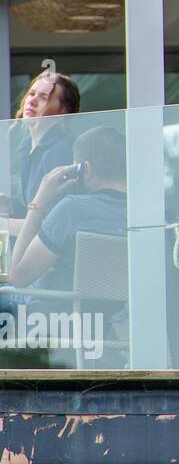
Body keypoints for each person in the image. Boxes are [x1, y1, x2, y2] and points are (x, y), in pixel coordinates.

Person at [3, 127, 127, 325]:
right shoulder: (146, 218)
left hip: (47, 326)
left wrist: (40, 199)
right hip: (102, 329)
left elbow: (17, 277)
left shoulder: (72, 210)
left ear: (84, 170)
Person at [5, 71, 81, 235]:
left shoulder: (61, 151)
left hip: (51, 255)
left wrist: (4, 225)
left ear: (63, 111)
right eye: (31, 94)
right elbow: (30, 204)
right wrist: (8, 204)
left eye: (43, 97)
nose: (32, 101)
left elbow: (50, 224)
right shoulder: (26, 146)